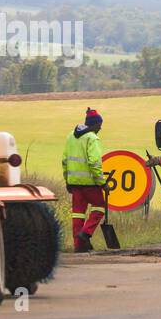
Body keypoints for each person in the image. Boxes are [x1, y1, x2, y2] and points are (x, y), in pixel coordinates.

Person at [62, 107, 107, 253]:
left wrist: (67, 180)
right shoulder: (92, 138)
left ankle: (79, 246)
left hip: (74, 183)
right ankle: (86, 233)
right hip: (90, 184)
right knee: (100, 207)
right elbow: (94, 162)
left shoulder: (70, 136)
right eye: (99, 125)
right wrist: (102, 183)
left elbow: (64, 161)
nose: (100, 128)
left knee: (78, 213)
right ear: (94, 124)